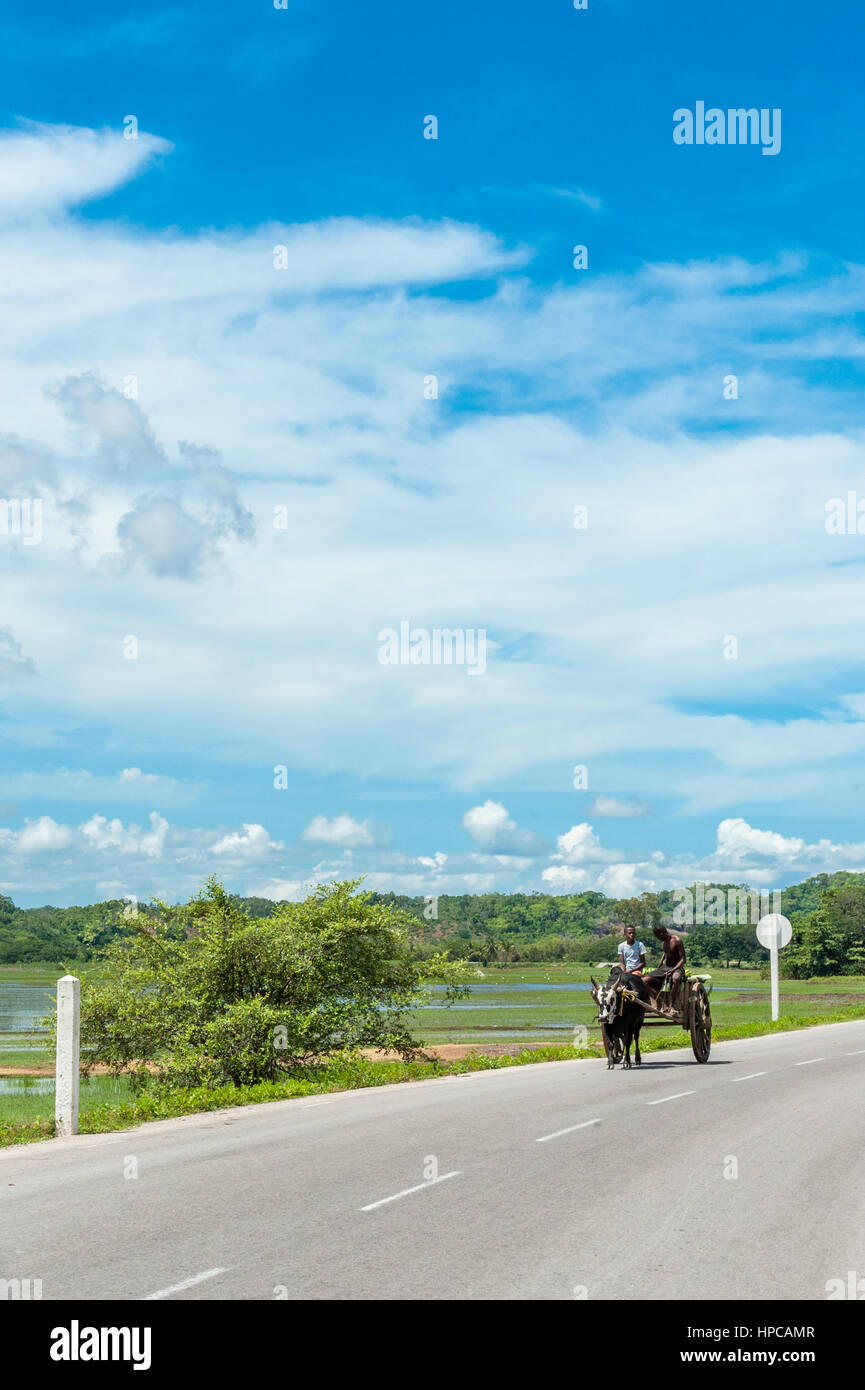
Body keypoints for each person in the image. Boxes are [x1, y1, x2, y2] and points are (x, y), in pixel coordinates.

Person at [645, 925, 686, 1016]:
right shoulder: (664, 942)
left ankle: (672, 1006)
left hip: (677, 967)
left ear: (662, 933)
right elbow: (667, 952)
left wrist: (674, 970)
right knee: (644, 981)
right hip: (665, 967)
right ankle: (661, 1002)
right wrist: (661, 961)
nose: (657, 938)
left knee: (675, 978)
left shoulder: (677, 941)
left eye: (658, 936)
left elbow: (683, 959)